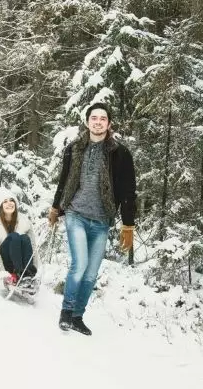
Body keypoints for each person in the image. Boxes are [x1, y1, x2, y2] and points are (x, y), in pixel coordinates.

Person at [49, 102, 137, 335]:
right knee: (80, 265)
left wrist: (128, 224)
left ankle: (78, 316)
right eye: (94, 118)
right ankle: (66, 313)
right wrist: (56, 207)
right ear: (87, 121)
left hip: (101, 220)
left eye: (102, 118)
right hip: (76, 213)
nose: (98, 122)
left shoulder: (120, 153)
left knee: (91, 272)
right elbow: (64, 179)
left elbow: (129, 190)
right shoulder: (74, 148)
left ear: (109, 124)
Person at [0, 188, 39, 289]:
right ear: (0, 206)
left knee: (25, 238)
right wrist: (2, 271)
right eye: (5, 201)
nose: (9, 203)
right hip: (5, 262)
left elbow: (33, 246)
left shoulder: (24, 221)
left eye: (11, 200)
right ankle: (19, 274)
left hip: (23, 263)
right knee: (14, 236)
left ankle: (27, 275)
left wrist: (35, 268)